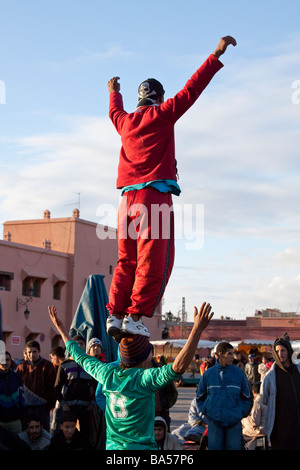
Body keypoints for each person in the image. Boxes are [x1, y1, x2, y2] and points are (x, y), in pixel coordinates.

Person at [105, 36, 236, 339]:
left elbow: (114, 113)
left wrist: (114, 93)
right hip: (154, 195)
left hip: (126, 199)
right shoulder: (163, 114)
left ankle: (115, 313)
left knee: (127, 258)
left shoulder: (124, 122)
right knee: (155, 257)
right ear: (160, 98)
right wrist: (215, 55)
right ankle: (136, 316)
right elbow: (192, 90)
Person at [48, 301, 213, 450]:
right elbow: (178, 367)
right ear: (143, 358)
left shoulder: (106, 373)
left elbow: (79, 356)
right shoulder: (144, 379)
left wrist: (61, 328)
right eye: (149, 352)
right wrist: (196, 330)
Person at [197, 341, 252, 450]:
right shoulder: (208, 374)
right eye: (229, 354)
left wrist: (240, 413)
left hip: (234, 423)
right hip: (214, 422)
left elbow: (247, 397)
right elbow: (200, 396)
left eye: (233, 353)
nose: (233, 356)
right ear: (220, 355)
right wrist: (207, 411)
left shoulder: (239, 374)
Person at [52, 334, 94, 447]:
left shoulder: (90, 363)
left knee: (86, 436)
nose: (79, 346)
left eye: (81, 344)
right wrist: (63, 404)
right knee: (67, 434)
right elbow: (57, 387)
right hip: (69, 408)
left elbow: (95, 385)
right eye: (77, 344)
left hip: (86, 407)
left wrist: (92, 402)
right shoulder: (64, 365)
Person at [262, 332, 300, 450]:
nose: (280, 354)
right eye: (277, 351)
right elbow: (264, 401)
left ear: (288, 351)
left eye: (282, 350)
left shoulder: (298, 371)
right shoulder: (270, 377)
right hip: (280, 427)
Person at [16, 340, 56, 431]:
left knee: (43, 433)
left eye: (34, 352)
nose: (31, 354)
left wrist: (48, 405)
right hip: (25, 408)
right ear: (26, 353)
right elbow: (17, 388)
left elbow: (53, 387)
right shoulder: (22, 367)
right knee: (25, 434)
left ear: (39, 351)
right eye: (29, 352)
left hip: (42, 408)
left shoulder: (47, 366)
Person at [0, 351, 25, 434]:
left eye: (7, 360)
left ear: (11, 361)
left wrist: (21, 416)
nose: (5, 362)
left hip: (15, 421)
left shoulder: (17, 377)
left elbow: (22, 398)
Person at [242, 383, 267, 450]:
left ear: (253, 392)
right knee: (251, 436)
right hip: (268, 427)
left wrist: (244, 419)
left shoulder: (257, 401)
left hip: (261, 430)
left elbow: (254, 422)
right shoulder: (268, 399)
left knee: (242, 433)